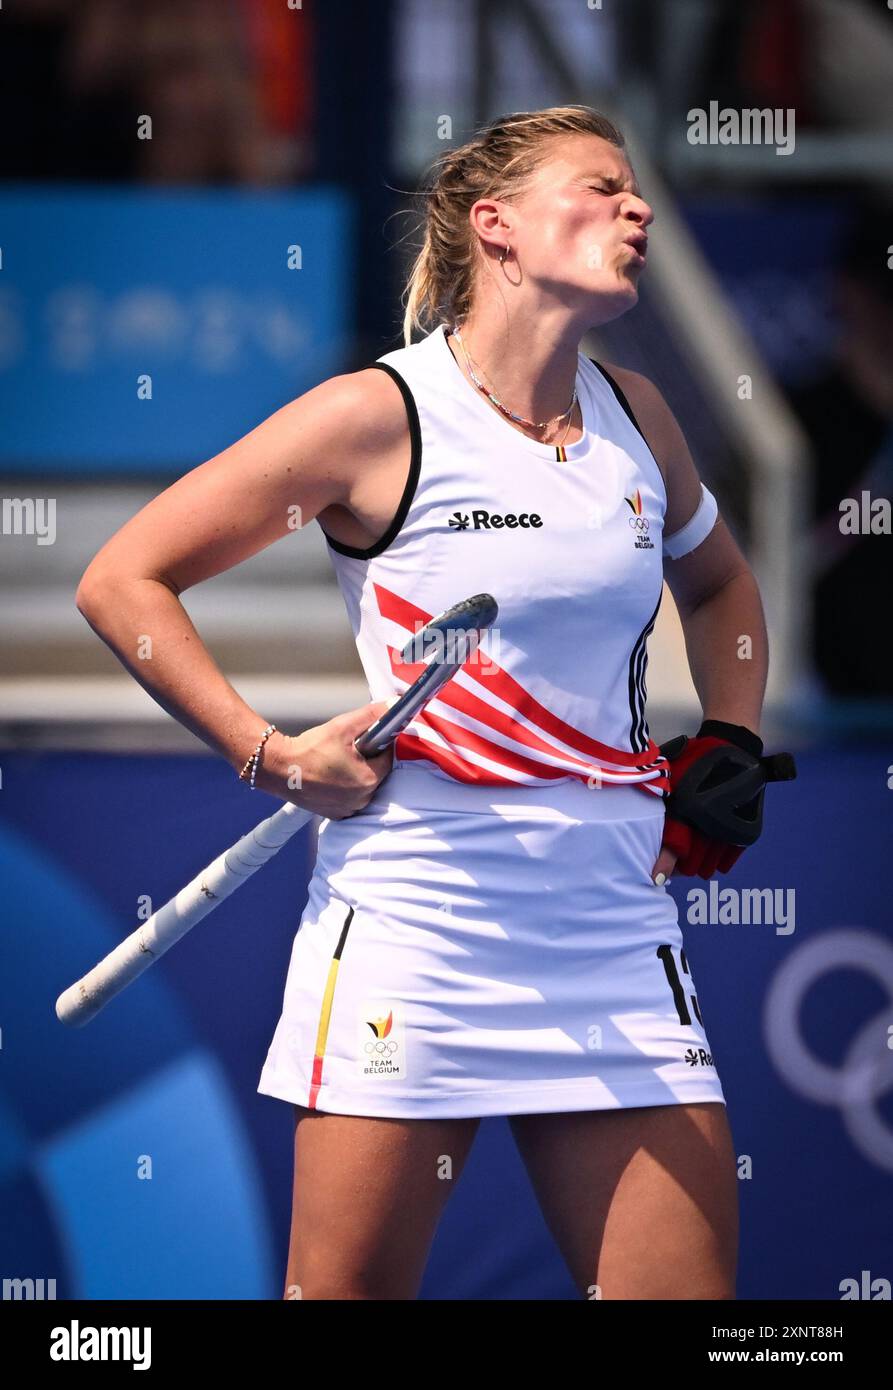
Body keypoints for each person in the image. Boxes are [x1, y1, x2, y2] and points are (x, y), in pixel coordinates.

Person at [77, 106, 774, 1301]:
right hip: (418, 935)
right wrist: (267, 753)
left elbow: (719, 590)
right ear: (494, 227)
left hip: (611, 931)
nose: (638, 208)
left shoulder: (639, 417)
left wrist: (732, 736)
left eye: (638, 192)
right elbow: (119, 579)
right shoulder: (372, 419)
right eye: (602, 187)